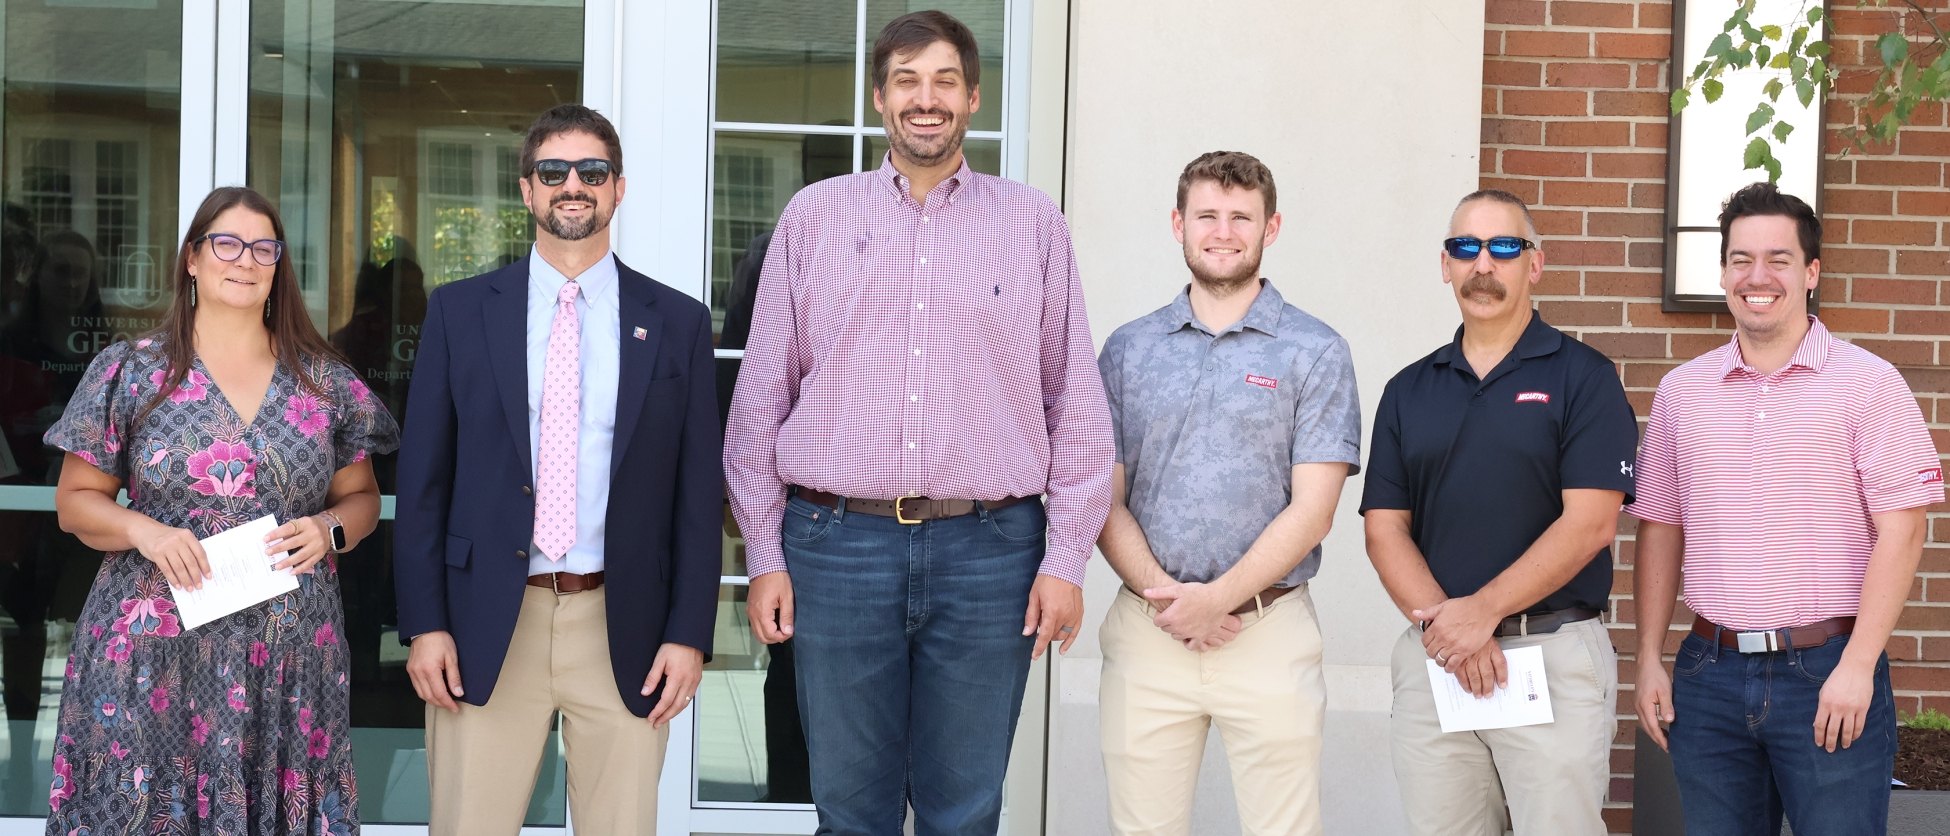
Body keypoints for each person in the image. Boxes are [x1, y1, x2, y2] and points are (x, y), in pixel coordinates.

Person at [724, 10, 1114, 834]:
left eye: (944, 81)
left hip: (990, 553)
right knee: (848, 811)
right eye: (906, 80)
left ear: (973, 97)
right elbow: (759, 402)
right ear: (880, 97)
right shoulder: (813, 218)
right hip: (837, 548)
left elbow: (1075, 404)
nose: (925, 99)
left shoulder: (1033, 224)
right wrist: (765, 554)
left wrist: (1067, 560)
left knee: (965, 812)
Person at [392, 104, 721, 835]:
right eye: (554, 171)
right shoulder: (459, 313)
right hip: (485, 623)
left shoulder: (679, 322)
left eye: (592, 171)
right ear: (527, 189)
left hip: (625, 624)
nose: (573, 185)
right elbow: (422, 486)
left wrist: (688, 633)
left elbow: (697, 496)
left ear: (619, 188)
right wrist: (425, 624)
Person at [39, 185, 398, 833]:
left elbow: (362, 499)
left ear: (279, 266)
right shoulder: (133, 371)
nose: (245, 260)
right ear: (193, 259)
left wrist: (329, 528)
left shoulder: (323, 382)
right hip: (152, 652)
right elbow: (75, 502)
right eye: (226, 243)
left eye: (264, 248)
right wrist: (143, 530)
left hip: (286, 658)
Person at [1630, 182, 1941, 836]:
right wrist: (1649, 656)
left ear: (1811, 272)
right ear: (1723, 274)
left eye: (1778, 259)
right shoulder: (1682, 393)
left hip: (1827, 669)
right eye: (1741, 259)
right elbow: (1660, 527)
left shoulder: (1868, 384)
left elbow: (1905, 530)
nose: (1758, 276)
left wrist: (1858, 665)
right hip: (1709, 674)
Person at [1094, 151, 1360, 836]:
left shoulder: (1315, 350)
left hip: (1268, 632)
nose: (1222, 232)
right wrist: (1173, 602)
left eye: (1241, 217)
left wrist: (1217, 599)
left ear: (1271, 228)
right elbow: (1102, 499)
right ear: (1177, 224)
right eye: (1206, 215)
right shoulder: (1128, 349)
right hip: (1149, 633)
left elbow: (1315, 510)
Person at [1359, 189, 1636, 835]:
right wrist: (1452, 633)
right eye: (1466, 247)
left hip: (1551, 656)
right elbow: (1384, 529)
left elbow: (1591, 524)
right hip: (1438, 662)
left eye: (1504, 247)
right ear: (1445, 265)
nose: (1483, 263)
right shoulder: (1408, 390)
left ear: (1534, 264)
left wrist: (1481, 613)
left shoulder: (1584, 377)